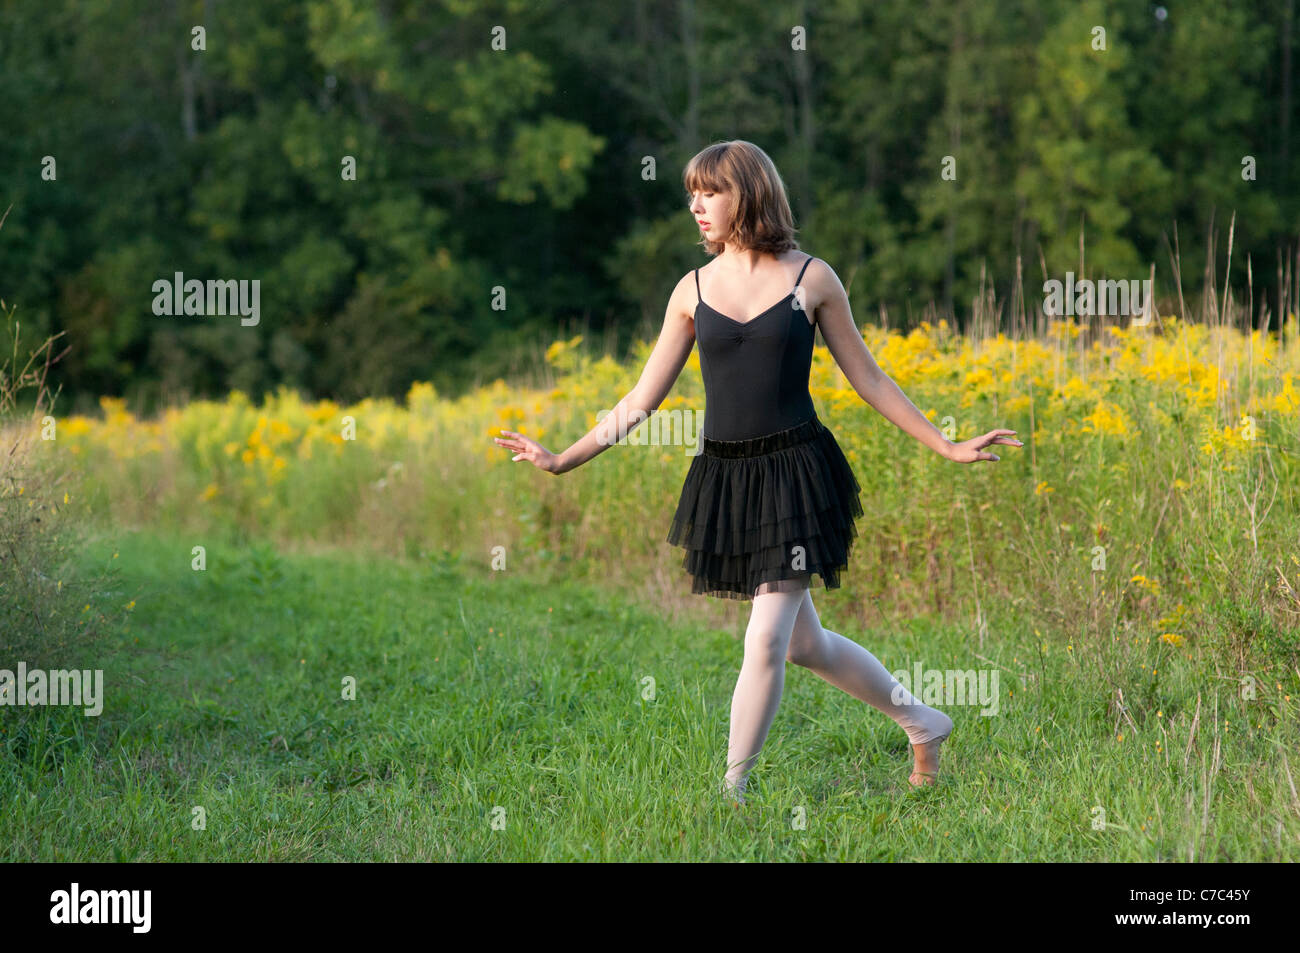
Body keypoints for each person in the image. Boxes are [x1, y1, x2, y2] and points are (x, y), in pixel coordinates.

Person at [493, 140, 1022, 803]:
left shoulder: (812, 279)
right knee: (805, 644)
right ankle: (923, 720)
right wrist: (561, 459)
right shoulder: (690, 290)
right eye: (691, 193)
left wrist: (945, 445)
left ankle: (731, 792)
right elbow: (639, 399)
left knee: (766, 637)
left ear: (748, 194)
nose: (695, 206)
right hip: (728, 481)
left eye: (708, 192)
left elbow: (869, 379)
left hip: (797, 474)